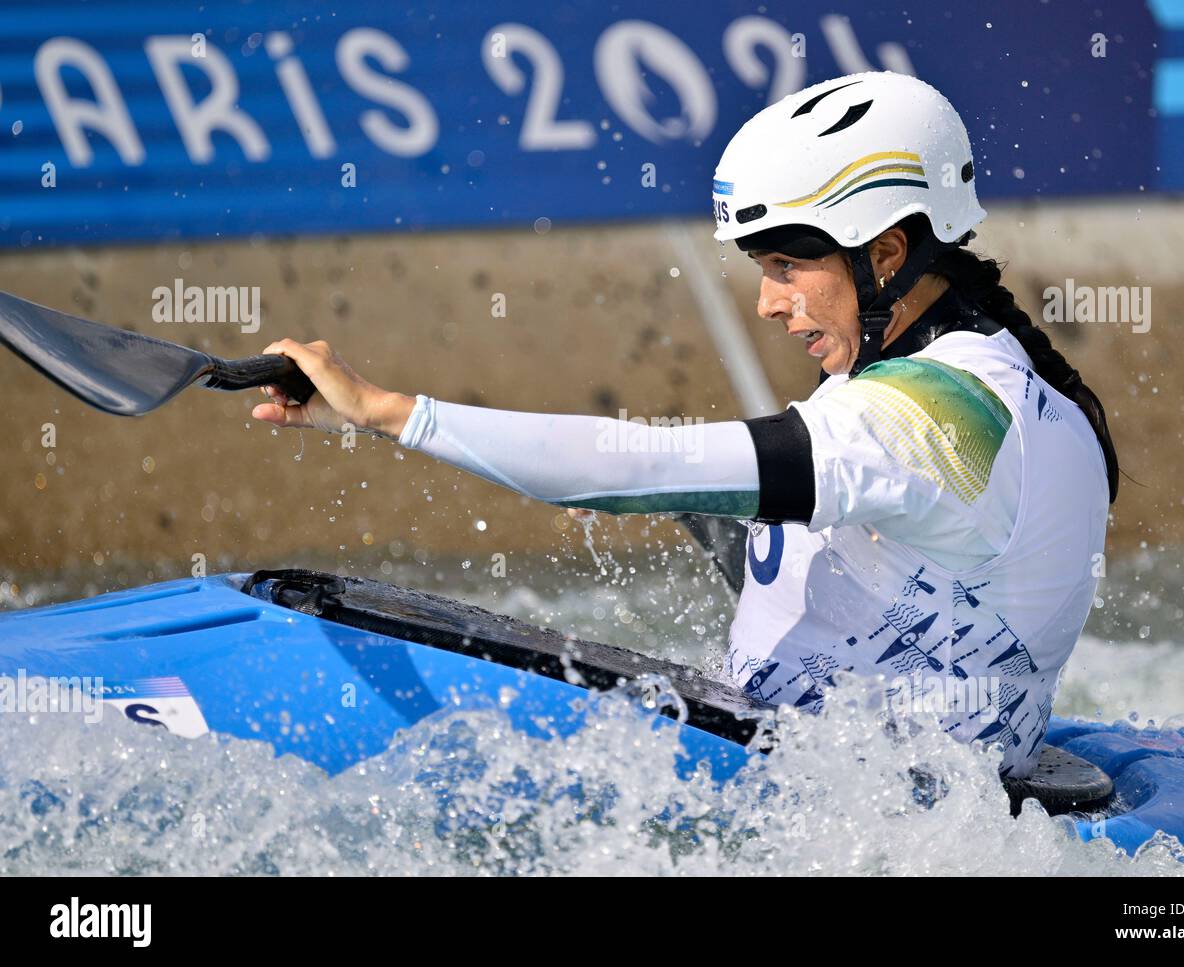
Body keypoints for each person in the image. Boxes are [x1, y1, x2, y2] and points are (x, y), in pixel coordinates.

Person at [252, 72, 1117, 779]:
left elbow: (636, 465)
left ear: (885, 252)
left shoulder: (928, 419)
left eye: (787, 266)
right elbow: (911, 578)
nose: (769, 303)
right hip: (900, 778)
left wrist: (385, 411)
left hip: (848, 816)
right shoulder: (1009, 377)